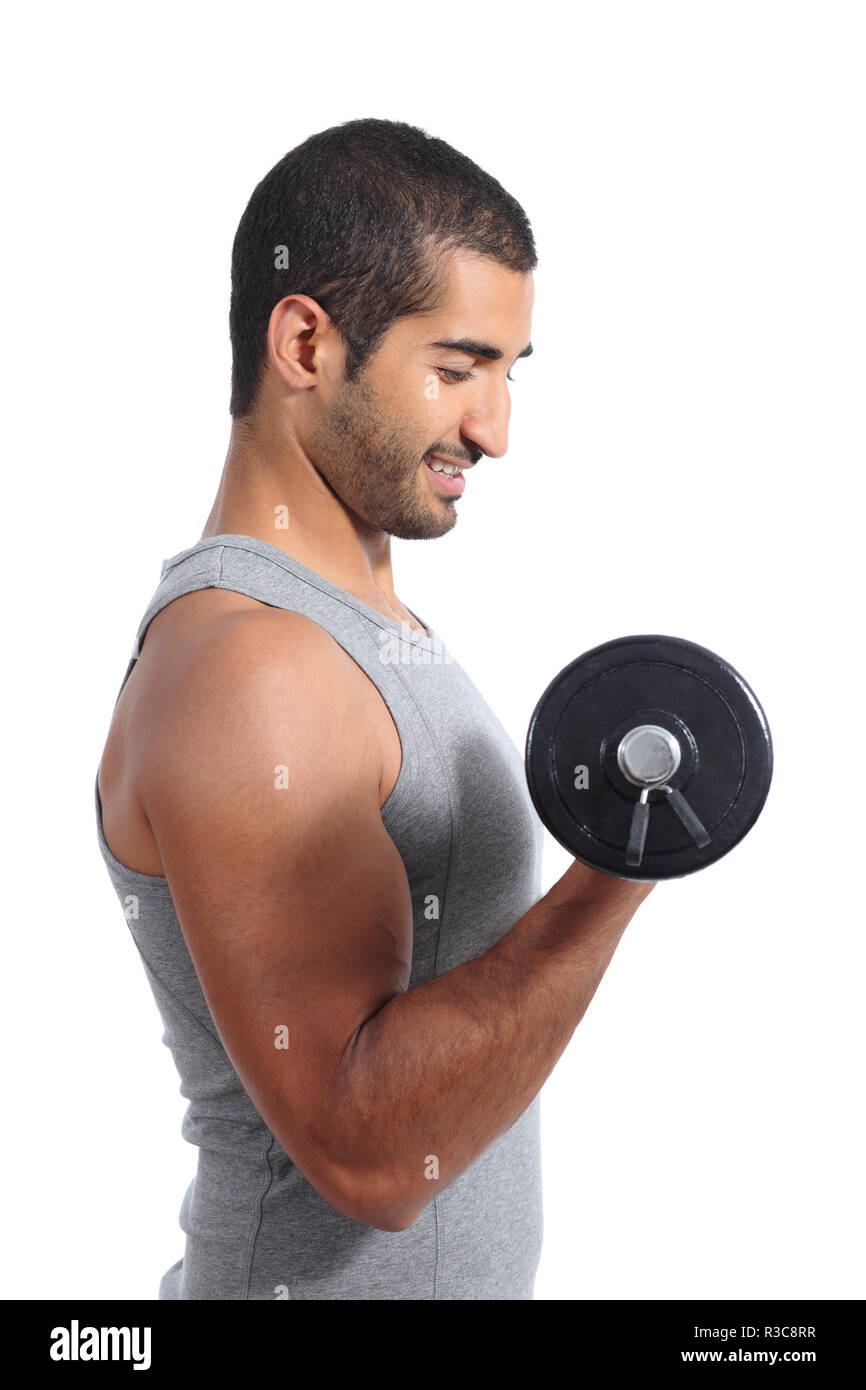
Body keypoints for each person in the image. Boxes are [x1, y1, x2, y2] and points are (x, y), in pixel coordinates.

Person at [95, 117, 654, 1301]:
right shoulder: (253, 670)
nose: (493, 431)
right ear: (304, 340)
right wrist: (622, 864)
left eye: (509, 373)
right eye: (455, 369)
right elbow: (369, 1150)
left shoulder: (361, 627)